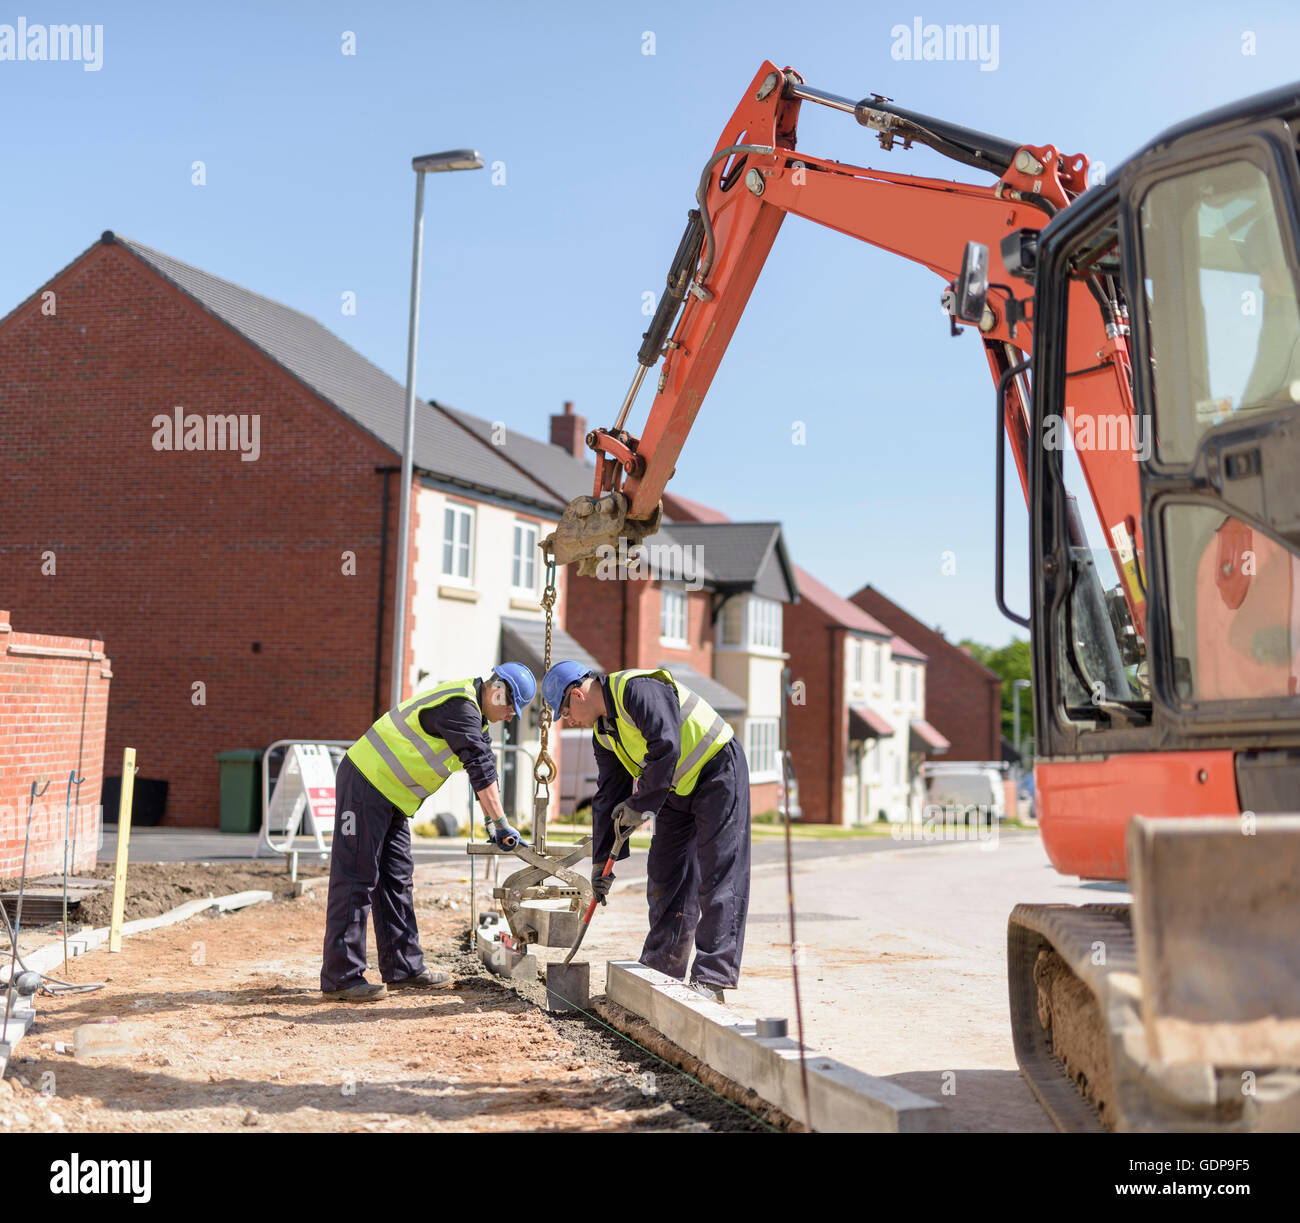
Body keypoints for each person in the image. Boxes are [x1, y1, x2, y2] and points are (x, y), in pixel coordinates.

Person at [320, 663, 535, 1001]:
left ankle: (403, 968)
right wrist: (500, 823)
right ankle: (341, 978)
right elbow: (477, 764)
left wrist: (496, 820)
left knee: (396, 879)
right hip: (365, 782)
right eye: (511, 706)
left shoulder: (474, 716)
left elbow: (484, 765)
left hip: (390, 796)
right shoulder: (461, 707)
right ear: (497, 690)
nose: (510, 716)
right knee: (355, 876)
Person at [542, 661, 750, 1002]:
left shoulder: (635, 689)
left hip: (717, 768)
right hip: (673, 788)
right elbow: (609, 794)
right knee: (665, 873)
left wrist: (640, 805)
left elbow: (666, 745)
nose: (569, 721)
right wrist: (600, 865)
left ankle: (712, 978)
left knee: (719, 874)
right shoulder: (603, 734)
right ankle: (661, 969)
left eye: (565, 713)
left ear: (576, 694)